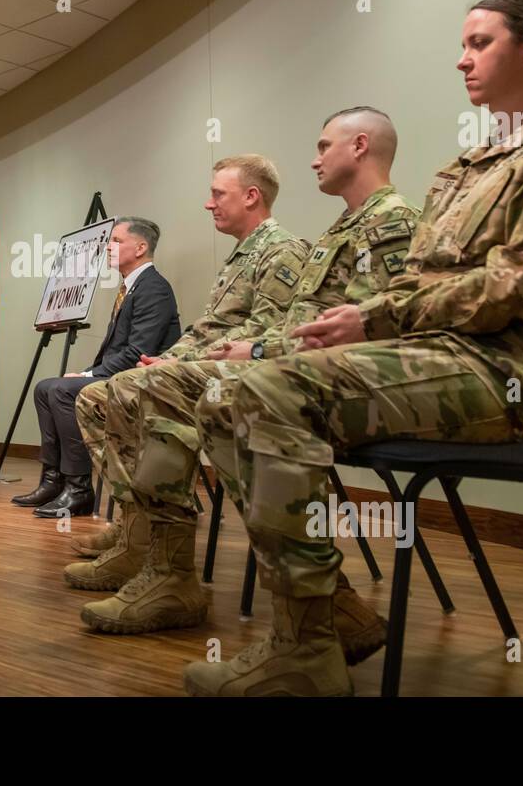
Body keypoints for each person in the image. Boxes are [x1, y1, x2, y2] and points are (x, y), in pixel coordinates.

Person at [186, 0, 523, 696]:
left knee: (268, 391)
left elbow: (518, 287)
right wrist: (357, 322)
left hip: (511, 373)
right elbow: (417, 284)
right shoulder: (465, 171)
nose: (462, 59)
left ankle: (304, 651)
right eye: (464, 44)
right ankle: (327, 614)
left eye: (480, 42)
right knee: (223, 393)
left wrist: (376, 321)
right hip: (438, 357)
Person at [73, 110, 420, 663]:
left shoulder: (377, 226)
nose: (314, 157)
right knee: (115, 389)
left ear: (359, 147)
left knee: (166, 390)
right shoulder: (338, 231)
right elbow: (242, 330)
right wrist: (182, 356)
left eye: (323, 145)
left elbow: (367, 327)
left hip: (336, 385)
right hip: (293, 373)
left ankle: (191, 576)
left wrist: (253, 353)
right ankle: (151, 548)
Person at [67, 155, 310, 633]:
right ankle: (138, 537)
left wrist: (179, 366)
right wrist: (174, 356)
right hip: (211, 373)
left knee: (153, 387)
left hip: (254, 382)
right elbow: (209, 329)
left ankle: (171, 571)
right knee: (98, 395)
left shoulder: (281, 251)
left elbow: (260, 334)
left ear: (251, 196)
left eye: (218, 194)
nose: (208, 203)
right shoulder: (240, 256)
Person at [13, 217, 180, 518]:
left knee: (63, 391)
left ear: (141, 247)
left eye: (117, 241)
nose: (108, 247)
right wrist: (89, 371)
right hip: (120, 375)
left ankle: (79, 490)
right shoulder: (131, 287)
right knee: (44, 388)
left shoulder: (153, 287)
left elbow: (138, 351)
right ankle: (54, 480)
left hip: (145, 381)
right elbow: (117, 351)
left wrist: (89, 375)